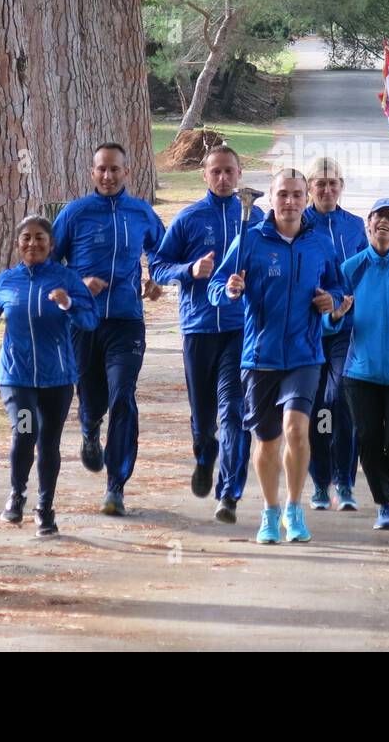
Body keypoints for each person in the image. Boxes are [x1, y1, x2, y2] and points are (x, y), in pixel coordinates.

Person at [208, 168, 346, 545]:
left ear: (306, 199)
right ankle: (269, 512)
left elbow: (338, 286)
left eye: (297, 195)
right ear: (271, 198)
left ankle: (294, 508)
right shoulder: (250, 241)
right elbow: (216, 287)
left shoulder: (320, 243)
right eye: (283, 194)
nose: (290, 202)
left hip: (305, 354)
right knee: (267, 440)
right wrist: (231, 291)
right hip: (260, 357)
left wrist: (330, 300)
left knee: (297, 430)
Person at [149, 145, 262, 523]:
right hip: (198, 327)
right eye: (216, 172)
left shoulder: (256, 218)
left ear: (240, 172)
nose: (224, 178)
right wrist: (190, 270)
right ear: (205, 175)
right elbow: (159, 267)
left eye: (230, 171)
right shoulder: (189, 219)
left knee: (234, 412)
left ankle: (229, 493)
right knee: (204, 418)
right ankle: (203, 455)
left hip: (240, 330)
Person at [0, 215, 98, 538]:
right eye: (26, 238)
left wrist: (68, 304)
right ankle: (17, 493)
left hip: (57, 379)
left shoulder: (67, 278)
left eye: (40, 238)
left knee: (49, 443)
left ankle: (45, 508)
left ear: (51, 244)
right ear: (17, 244)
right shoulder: (7, 280)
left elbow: (90, 320)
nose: (33, 244)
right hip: (17, 378)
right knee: (25, 432)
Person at [51, 142, 164, 517]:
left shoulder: (141, 212)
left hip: (127, 321)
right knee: (91, 396)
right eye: (101, 169)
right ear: (92, 172)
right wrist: (79, 282)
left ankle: (116, 485)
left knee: (122, 397)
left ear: (126, 172)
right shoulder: (75, 213)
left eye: (115, 169)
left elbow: (163, 255)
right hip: (84, 321)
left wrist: (155, 280)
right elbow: (48, 266)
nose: (108, 176)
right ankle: (88, 428)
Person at [327, 198, 389, 530]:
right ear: (367, 224)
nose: (384, 222)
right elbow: (333, 321)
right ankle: (385, 504)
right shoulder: (350, 268)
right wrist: (336, 316)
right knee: (368, 442)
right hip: (361, 372)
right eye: (378, 217)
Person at [302, 156, 367, 512]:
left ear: (341, 186)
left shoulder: (356, 225)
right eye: (320, 183)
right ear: (310, 187)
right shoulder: (299, 223)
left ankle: (345, 479)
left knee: (341, 398)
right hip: (310, 329)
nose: (327, 189)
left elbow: (367, 274)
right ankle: (320, 481)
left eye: (333, 183)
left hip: (347, 328)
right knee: (316, 405)